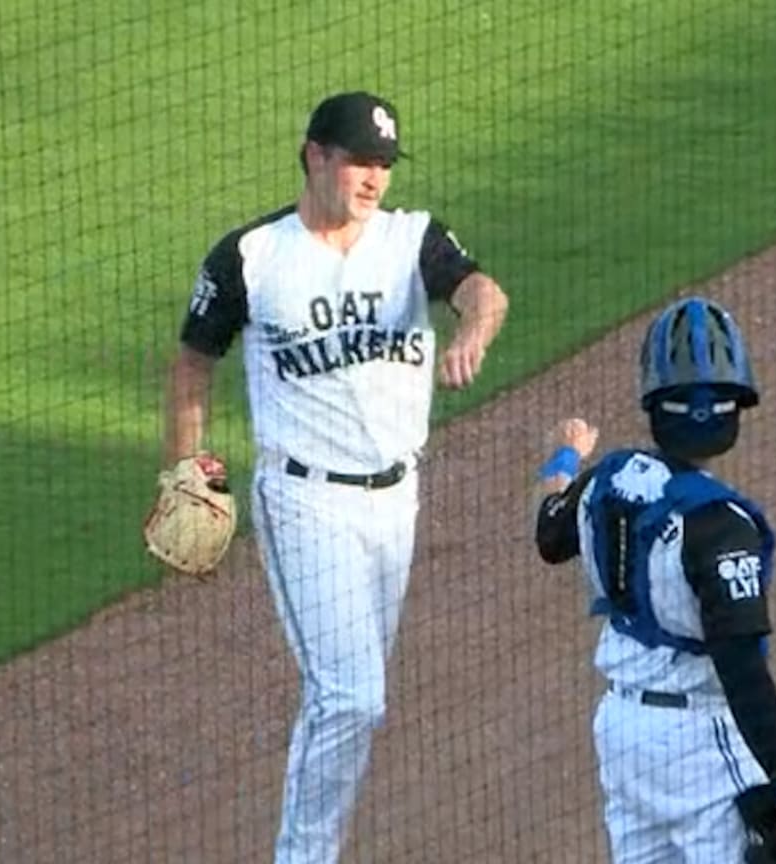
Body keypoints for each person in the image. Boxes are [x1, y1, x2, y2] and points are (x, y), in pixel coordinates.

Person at [161, 90, 509, 864]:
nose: (374, 178)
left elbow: (484, 291)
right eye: (359, 160)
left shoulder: (414, 240)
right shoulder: (251, 257)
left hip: (398, 501)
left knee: (357, 701)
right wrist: (182, 472)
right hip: (303, 500)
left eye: (384, 164)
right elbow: (193, 363)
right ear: (316, 155)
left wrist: (473, 333)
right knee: (352, 695)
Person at [530, 296, 776, 864]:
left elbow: (550, 533)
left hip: (622, 734)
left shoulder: (608, 478)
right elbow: (743, 670)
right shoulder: (723, 527)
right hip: (699, 744)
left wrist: (564, 458)